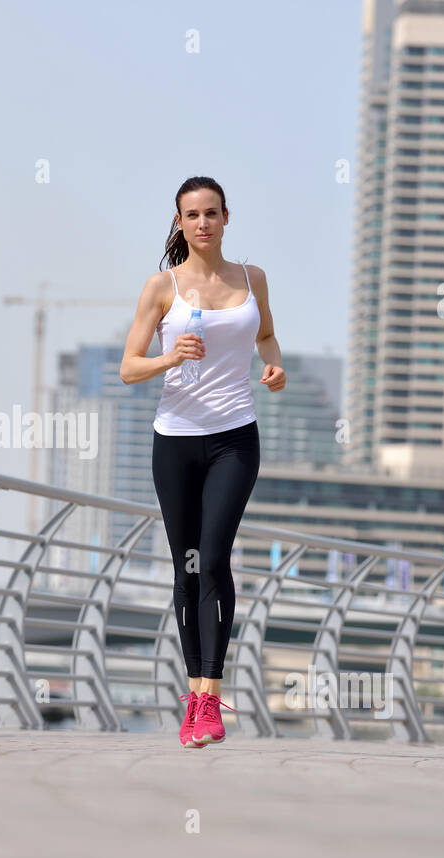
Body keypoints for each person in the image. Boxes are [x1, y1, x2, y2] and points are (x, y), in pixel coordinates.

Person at [119, 175, 285, 748]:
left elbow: (266, 335)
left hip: (235, 437)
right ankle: (194, 696)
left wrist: (274, 366)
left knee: (214, 558)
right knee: (187, 566)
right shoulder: (161, 287)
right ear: (179, 223)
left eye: (212, 213)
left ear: (226, 217)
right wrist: (169, 357)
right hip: (177, 440)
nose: (203, 223)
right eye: (192, 215)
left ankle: (209, 699)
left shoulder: (252, 278)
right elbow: (128, 368)